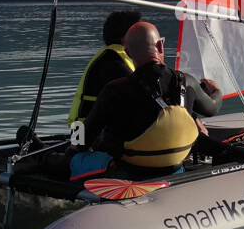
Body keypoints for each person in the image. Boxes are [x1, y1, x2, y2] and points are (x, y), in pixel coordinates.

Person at [73, 21, 224, 180]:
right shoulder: (187, 81)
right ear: (160, 46)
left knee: (76, 158)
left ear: (128, 53)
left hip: (129, 172)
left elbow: (84, 136)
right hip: (173, 169)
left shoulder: (114, 90)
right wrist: (217, 91)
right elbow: (212, 108)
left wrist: (73, 144)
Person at [67, 11, 141, 126]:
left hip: (82, 130)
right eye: (139, 32)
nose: (143, 36)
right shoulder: (113, 62)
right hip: (81, 135)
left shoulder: (115, 56)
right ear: (124, 37)